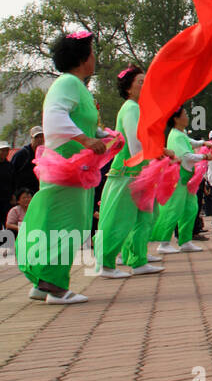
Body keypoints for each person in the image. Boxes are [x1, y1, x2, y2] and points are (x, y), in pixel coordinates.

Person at [19, 32, 112, 303]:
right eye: (92, 52)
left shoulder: (77, 86)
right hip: (66, 167)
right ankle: (56, 288)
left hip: (76, 167)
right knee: (66, 224)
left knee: (61, 223)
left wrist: (103, 134)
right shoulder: (69, 82)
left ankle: (43, 283)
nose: (95, 58)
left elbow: (78, 121)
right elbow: (56, 117)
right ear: (82, 58)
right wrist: (86, 139)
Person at [93, 65, 167, 278]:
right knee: (119, 218)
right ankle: (106, 264)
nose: (145, 86)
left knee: (143, 218)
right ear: (128, 88)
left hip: (139, 172)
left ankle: (137, 259)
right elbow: (136, 146)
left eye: (146, 82)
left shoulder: (138, 108)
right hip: (127, 171)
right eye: (140, 82)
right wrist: (156, 153)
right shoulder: (131, 108)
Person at [151, 106, 206, 254]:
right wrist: (203, 156)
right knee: (173, 208)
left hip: (186, 178)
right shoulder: (175, 136)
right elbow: (186, 156)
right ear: (176, 118)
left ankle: (185, 240)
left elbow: (191, 142)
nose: (187, 116)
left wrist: (203, 144)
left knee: (190, 208)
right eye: (185, 114)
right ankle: (163, 242)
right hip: (178, 176)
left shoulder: (180, 134)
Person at [10, 127, 43, 195]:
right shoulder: (22, 154)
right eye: (36, 137)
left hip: (38, 191)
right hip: (22, 193)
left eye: (41, 137)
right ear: (31, 138)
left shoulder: (45, 154)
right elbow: (11, 174)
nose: (39, 139)